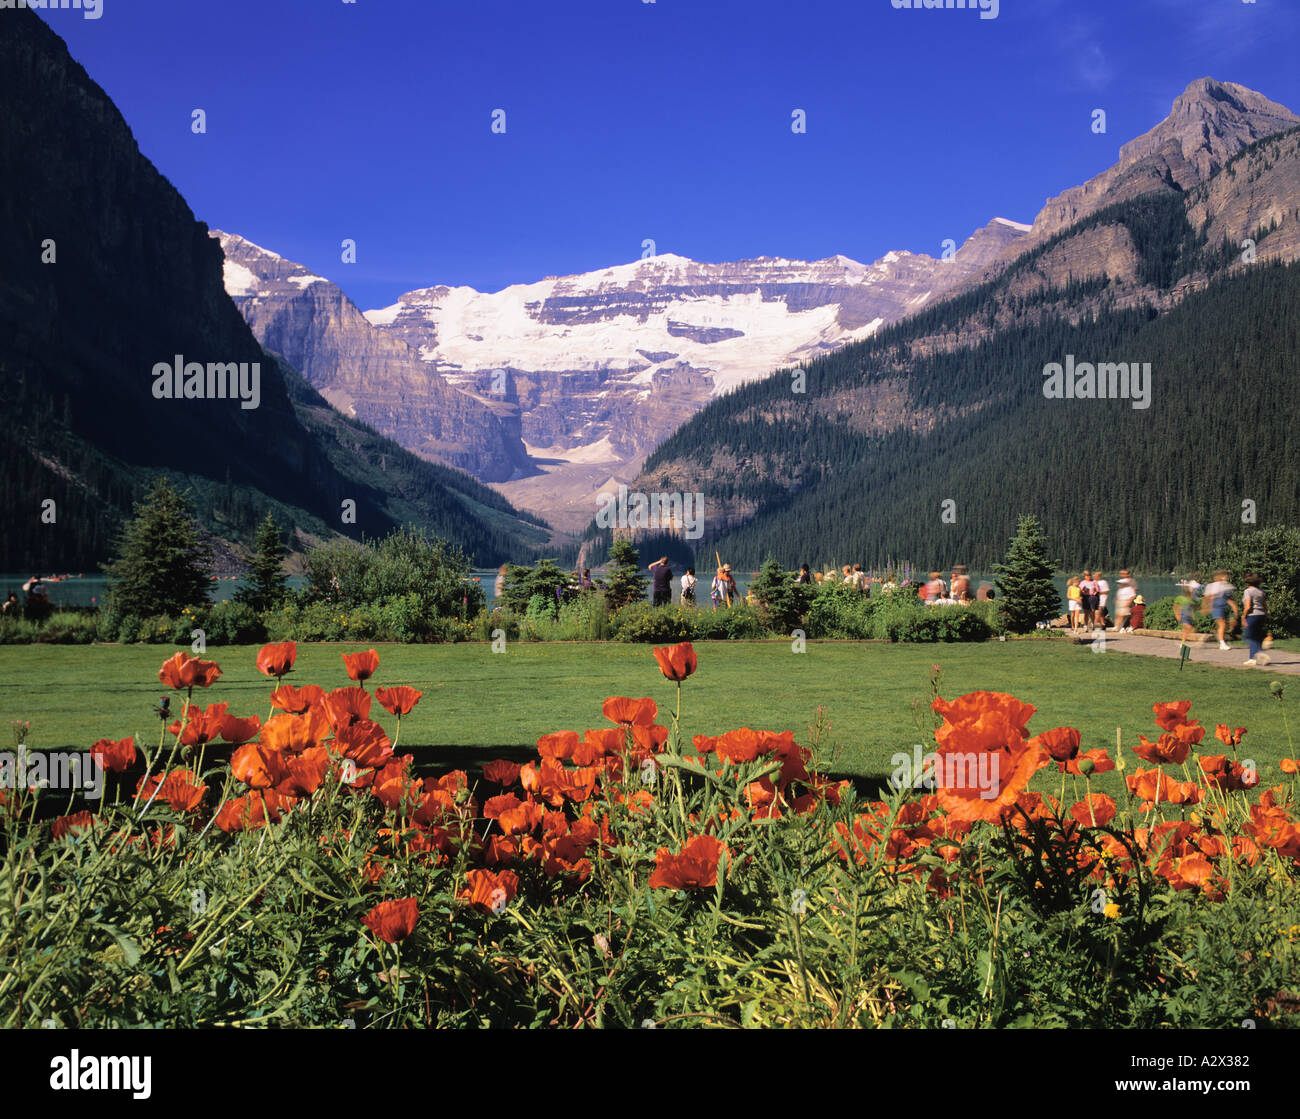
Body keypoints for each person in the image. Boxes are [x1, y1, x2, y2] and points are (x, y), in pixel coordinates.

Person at [1201, 569, 1238, 651]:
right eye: (1224, 575)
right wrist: (1206, 607)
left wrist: (1234, 607)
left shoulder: (1225, 586)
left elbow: (1228, 599)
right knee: (1222, 624)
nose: (1226, 577)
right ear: (1219, 576)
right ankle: (1222, 643)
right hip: (1217, 607)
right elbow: (1208, 597)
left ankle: (1221, 640)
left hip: (1223, 607)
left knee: (1223, 624)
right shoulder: (1214, 586)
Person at [1242, 573, 1269, 666]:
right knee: (1257, 636)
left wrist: (1243, 616)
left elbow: (1248, 606)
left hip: (1252, 615)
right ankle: (1259, 656)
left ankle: (1253, 657)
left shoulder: (1248, 591)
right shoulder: (1261, 591)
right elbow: (1265, 605)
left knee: (1250, 637)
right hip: (1261, 615)